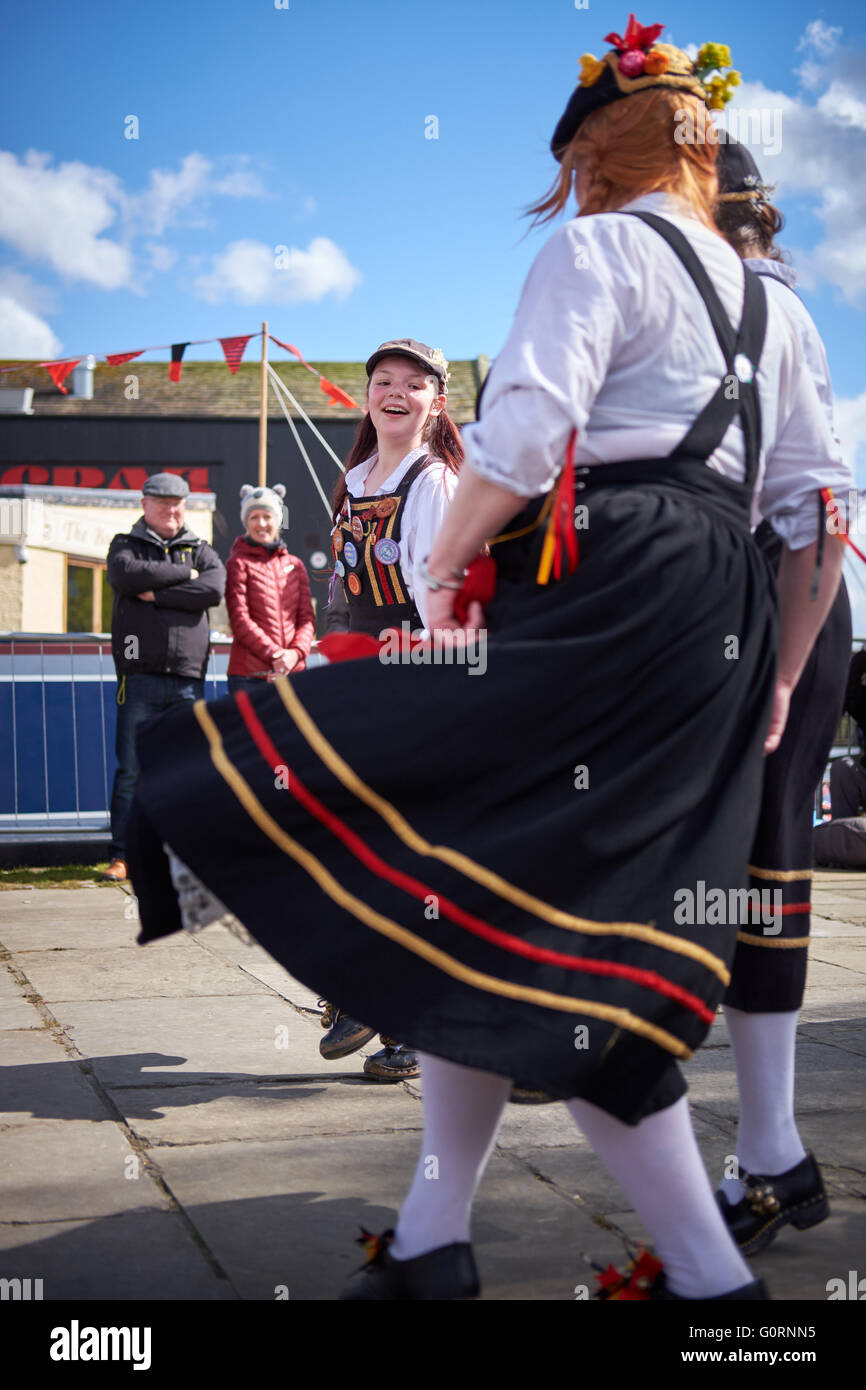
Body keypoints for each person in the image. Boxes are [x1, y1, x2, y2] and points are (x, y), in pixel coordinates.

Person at [127, 21, 849, 1300]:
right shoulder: (779, 311)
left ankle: (701, 1283)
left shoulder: (594, 248)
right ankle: (429, 1239)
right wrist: (784, 677)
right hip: (720, 612)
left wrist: (443, 571)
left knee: (526, 915)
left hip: (605, 578)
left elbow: (519, 442)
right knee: (489, 892)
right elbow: (814, 525)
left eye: (573, 162)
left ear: (593, 155)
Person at [711, 140, 853, 1253]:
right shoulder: (740, 303)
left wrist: (790, 667)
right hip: (756, 596)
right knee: (747, 854)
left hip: (776, 592)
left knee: (759, 854)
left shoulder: (753, 310)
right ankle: (762, 1148)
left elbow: (813, 500)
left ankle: (768, 1152)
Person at [318, 339, 463, 1081]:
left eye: (415, 383)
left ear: (437, 402)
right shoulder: (354, 477)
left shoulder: (432, 482)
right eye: (383, 381)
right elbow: (343, 597)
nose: (396, 392)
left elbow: (441, 604)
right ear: (366, 395)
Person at [102, 473, 225, 882]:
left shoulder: (201, 549)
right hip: (138, 677)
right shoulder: (124, 544)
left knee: (185, 771)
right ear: (144, 505)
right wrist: (183, 576)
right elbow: (125, 577)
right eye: (162, 504)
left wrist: (157, 592)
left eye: (177, 504)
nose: (171, 511)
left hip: (189, 679)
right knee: (132, 772)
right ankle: (124, 856)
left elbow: (212, 589)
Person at [225, 483, 315, 697]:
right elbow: (239, 619)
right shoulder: (238, 563)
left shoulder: (296, 565)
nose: (261, 523)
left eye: (267, 516)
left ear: (278, 519)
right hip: (249, 676)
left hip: (293, 673)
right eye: (253, 517)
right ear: (245, 522)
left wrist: (294, 655)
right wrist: (276, 655)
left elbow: (307, 620)